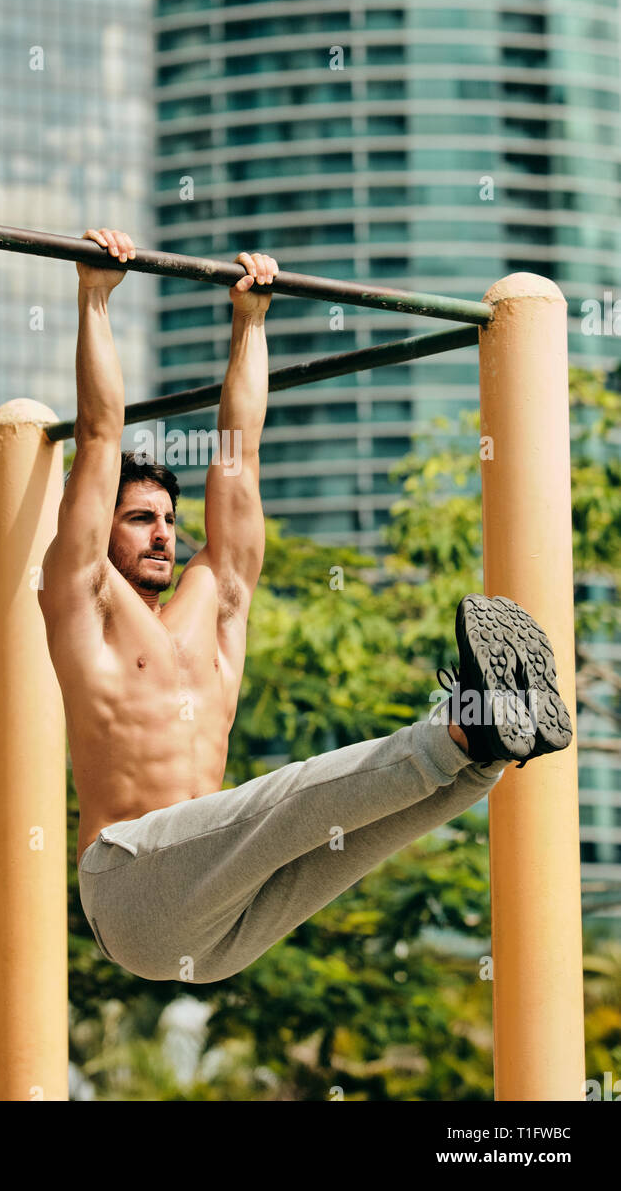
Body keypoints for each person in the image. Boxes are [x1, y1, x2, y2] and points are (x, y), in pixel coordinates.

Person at [38, 227, 573, 984]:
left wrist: (250, 320)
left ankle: (486, 751)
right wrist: (95, 297)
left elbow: (238, 457)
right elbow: (98, 437)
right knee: (291, 798)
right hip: (132, 889)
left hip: (221, 922)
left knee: (349, 837)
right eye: (137, 518)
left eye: (166, 518)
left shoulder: (213, 598)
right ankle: (466, 720)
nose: (161, 533)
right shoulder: (83, 601)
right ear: (104, 530)